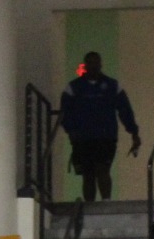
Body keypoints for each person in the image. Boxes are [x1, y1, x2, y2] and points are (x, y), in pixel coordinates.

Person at [59, 51, 141, 202]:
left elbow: (125, 110)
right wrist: (71, 131)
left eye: (96, 62)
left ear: (101, 64)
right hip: (82, 138)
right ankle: (90, 206)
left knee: (103, 170)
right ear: (85, 65)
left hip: (106, 136)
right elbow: (65, 113)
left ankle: (106, 202)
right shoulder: (74, 87)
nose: (93, 66)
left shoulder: (112, 86)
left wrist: (133, 132)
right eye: (90, 63)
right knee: (88, 173)